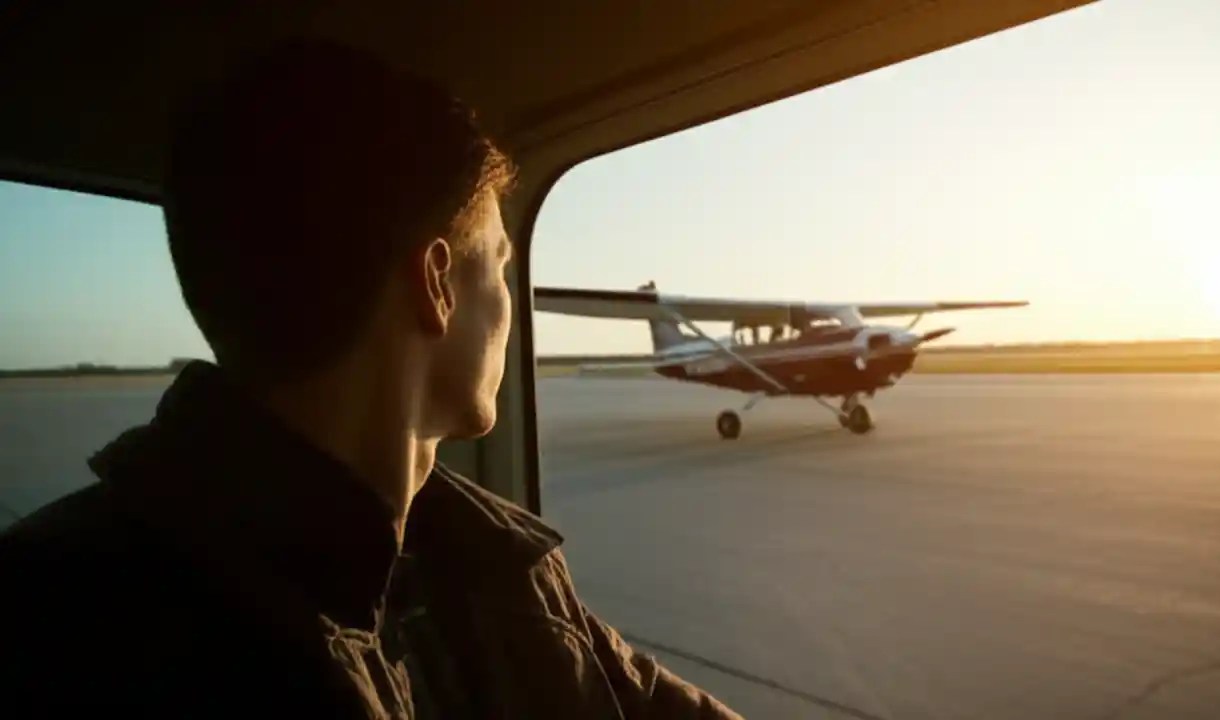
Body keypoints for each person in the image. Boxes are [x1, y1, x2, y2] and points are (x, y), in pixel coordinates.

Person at [0, 39, 743, 719]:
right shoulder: (73, 628)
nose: (510, 308)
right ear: (439, 286)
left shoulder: (496, 569)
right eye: (502, 270)